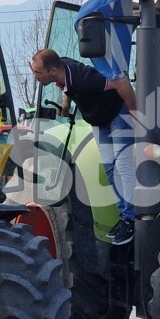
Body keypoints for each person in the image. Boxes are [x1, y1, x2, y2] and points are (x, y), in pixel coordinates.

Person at [31, 48, 137, 245]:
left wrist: (136, 114)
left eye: (37, 73)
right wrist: (66, 104)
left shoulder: (84, 78)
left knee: (123, 166)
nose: (35, 77)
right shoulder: (62, 68)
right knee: (109, 167)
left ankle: (132, 219)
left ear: (52, 70)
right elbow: (66, 86)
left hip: (118, 114)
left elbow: (121, 82)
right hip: (99, 120)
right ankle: (125, 217)